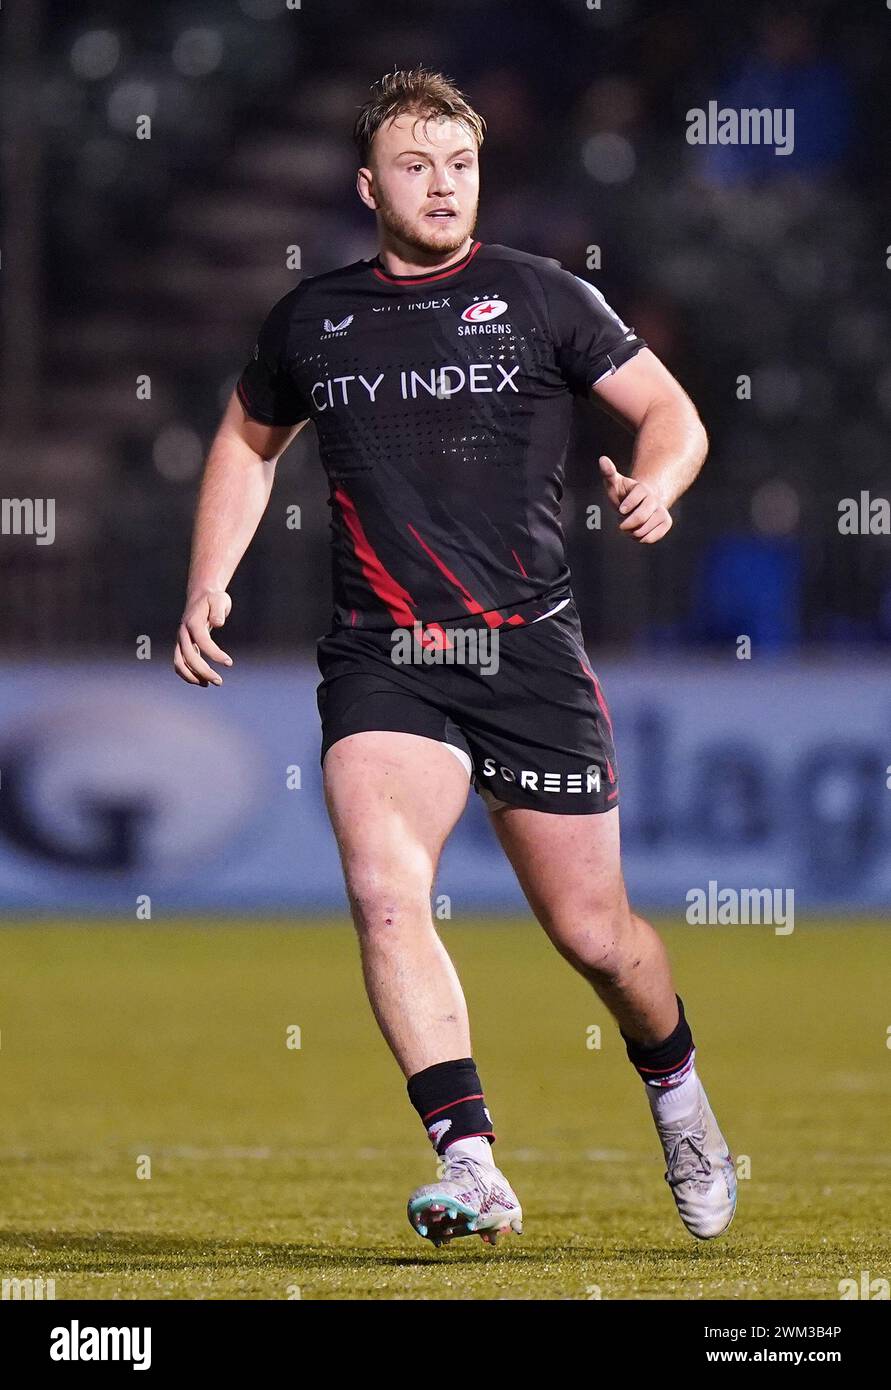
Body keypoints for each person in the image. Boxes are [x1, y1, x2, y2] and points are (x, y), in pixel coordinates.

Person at [175, 67, 736, 1248]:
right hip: (384, 654)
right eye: (416, 165)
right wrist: (209, 575)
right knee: (386, 895)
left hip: (526, 653)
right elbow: (246, 440)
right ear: (367, 186)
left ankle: (678, 1088)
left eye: (461, 164)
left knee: (597, 938)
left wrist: (660, 485)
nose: (443, 185)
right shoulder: (313, 318)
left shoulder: (542, 295)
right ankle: (471, 1161)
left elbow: (672, 413)